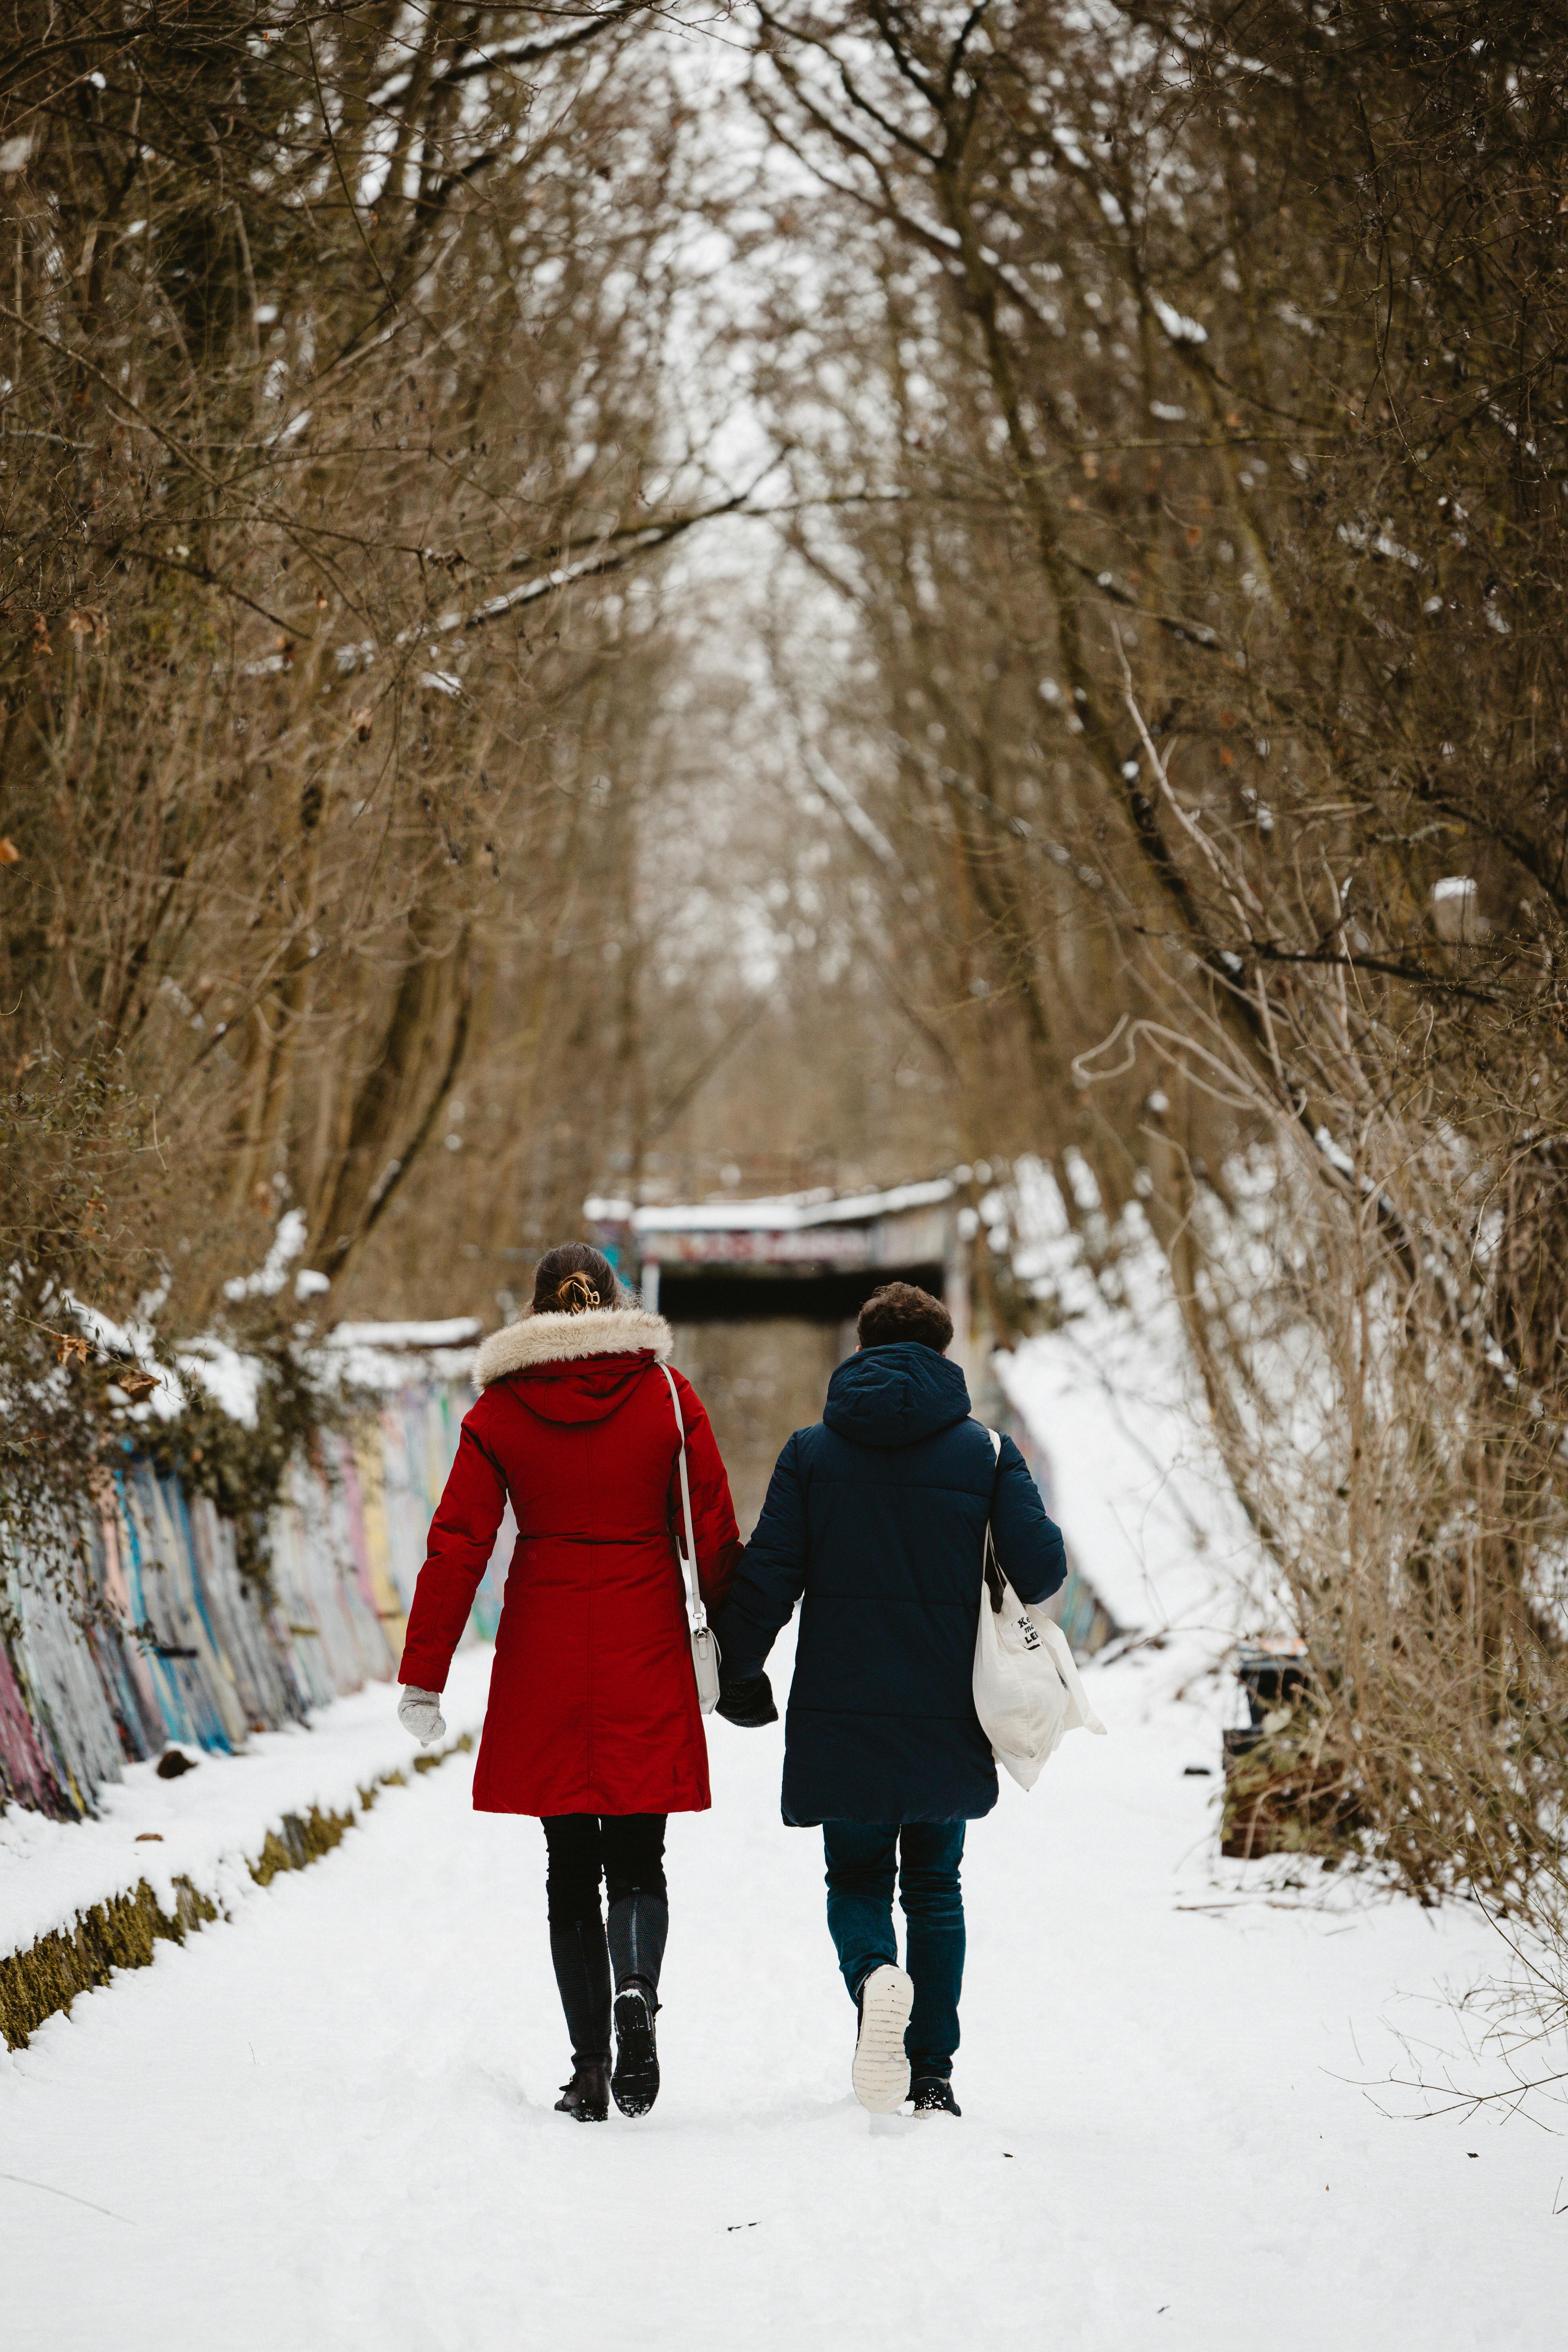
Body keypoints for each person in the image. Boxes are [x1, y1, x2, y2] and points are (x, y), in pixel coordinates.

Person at [396, 1243, 742, 2122]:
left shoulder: (501, 1410)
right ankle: (637, 1988)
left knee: (566, 1867)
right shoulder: (666, 1397)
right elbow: (710, 1528)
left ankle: (589, 2068)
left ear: (537, 1312)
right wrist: (739, 1653)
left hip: (545, 1649)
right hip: (645, 1645)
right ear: (617, 1302)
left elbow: (457, 1543)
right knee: (637, 1856)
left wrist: (424, 1674)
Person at [712, 1279, 1066, 2118]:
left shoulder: (811, 1452)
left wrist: (736, 1673)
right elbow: (1042, 1572)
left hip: (842, 1708)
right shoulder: (983, 1453)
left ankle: (875, 1976)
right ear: (942, 1355)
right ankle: (931, 2074)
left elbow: (767, 1577)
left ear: (861, 1351)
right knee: (935, 1888)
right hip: (949, 1707)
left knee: (857, 1875)